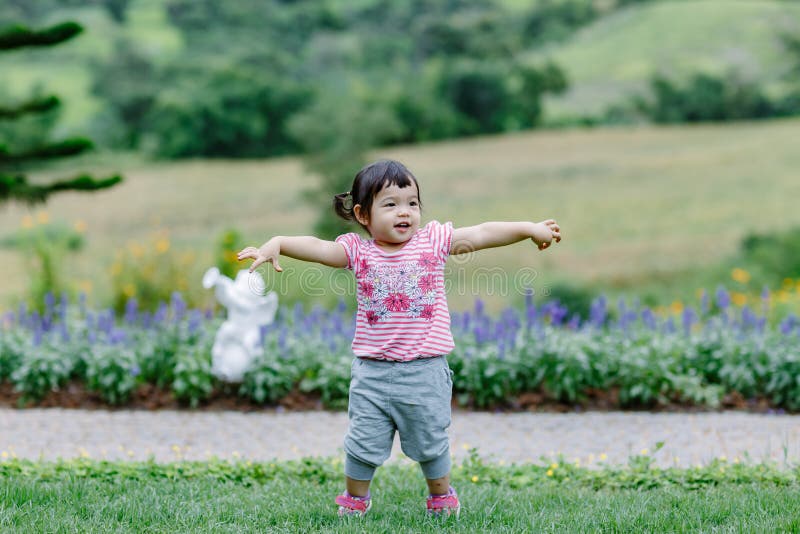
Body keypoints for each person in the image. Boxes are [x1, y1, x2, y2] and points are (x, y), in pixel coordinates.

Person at [237, 159, 561, 518]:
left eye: (412, 203)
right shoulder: (358, 252)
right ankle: (355, 500)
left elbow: (483, 233)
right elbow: (317, 247)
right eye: (390, 204)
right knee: (361, 442)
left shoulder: (433, 241)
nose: (404, 212)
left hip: (425, 371)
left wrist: (530, 228)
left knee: (430, 442)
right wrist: (278, 243)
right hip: (372, 373)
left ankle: (440, 497)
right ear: (363, 215)